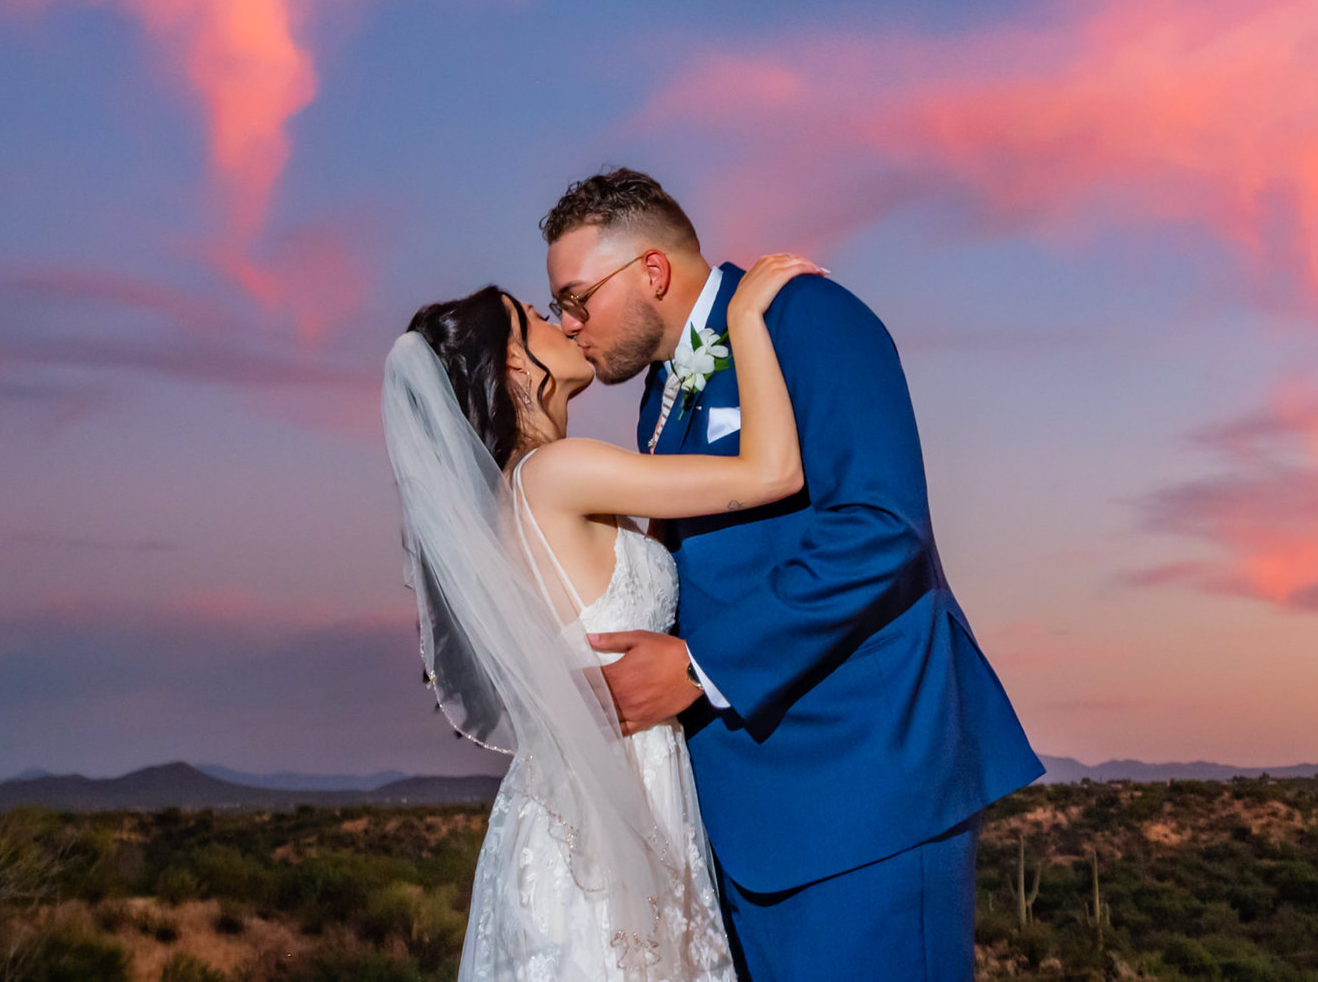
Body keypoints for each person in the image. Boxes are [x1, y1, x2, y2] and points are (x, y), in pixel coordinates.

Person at [542, 169, 1041, 982]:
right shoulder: (661, 394)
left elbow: (881, 526)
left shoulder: (807, 318)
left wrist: (701, 670)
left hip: (861, 795)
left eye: (577, 297)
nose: (569, 324)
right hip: (743, 820)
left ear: (652, 273)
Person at [382, 253, 824, 982]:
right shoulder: (557, 474)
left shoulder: (519, 502)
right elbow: (774, 472)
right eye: (535, 317)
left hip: (592, 805)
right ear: (516, 368)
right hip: (603, 825)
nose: (564, 322)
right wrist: (743, 319)